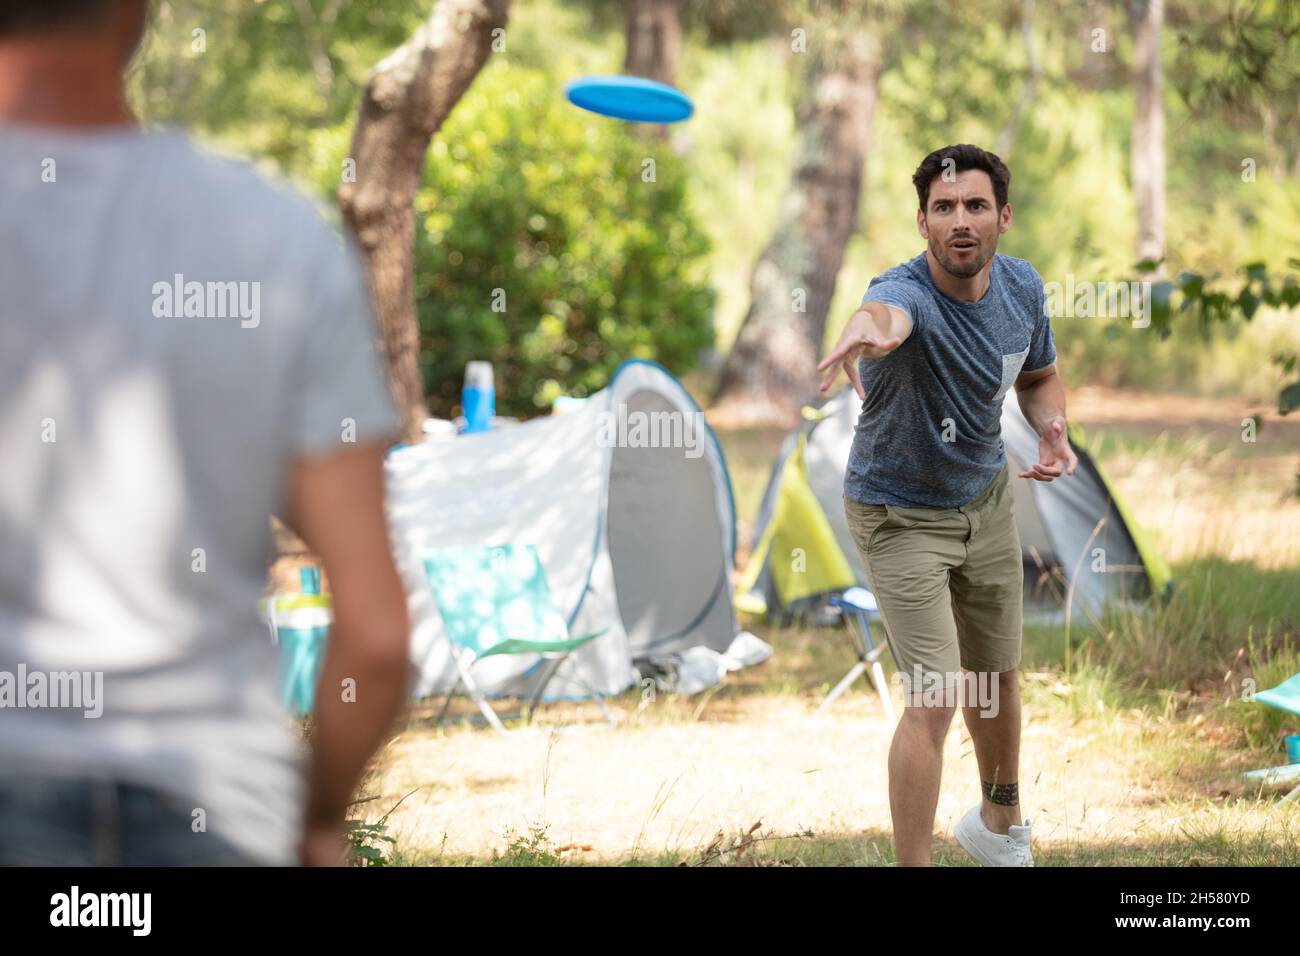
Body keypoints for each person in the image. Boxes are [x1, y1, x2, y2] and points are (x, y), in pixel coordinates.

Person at [0, 0, 411, 865]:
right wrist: (318, 814)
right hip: (211, 805)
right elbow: (374, 636)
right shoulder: (274, 238)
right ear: (135, 12)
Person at [817, 144, 1077, 867]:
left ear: (1003, 216)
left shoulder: (1022, 289)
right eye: (943, 208)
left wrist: (1053, 426)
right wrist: (861, 333)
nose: (960, 221)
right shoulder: (906, 292)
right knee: (934, 696)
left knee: (996, 677)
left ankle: (1000, 826)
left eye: (974, 206)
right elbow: (884, 317)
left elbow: (1041, 375)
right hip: (899, 513)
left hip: (985, 499)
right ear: (923, 221)